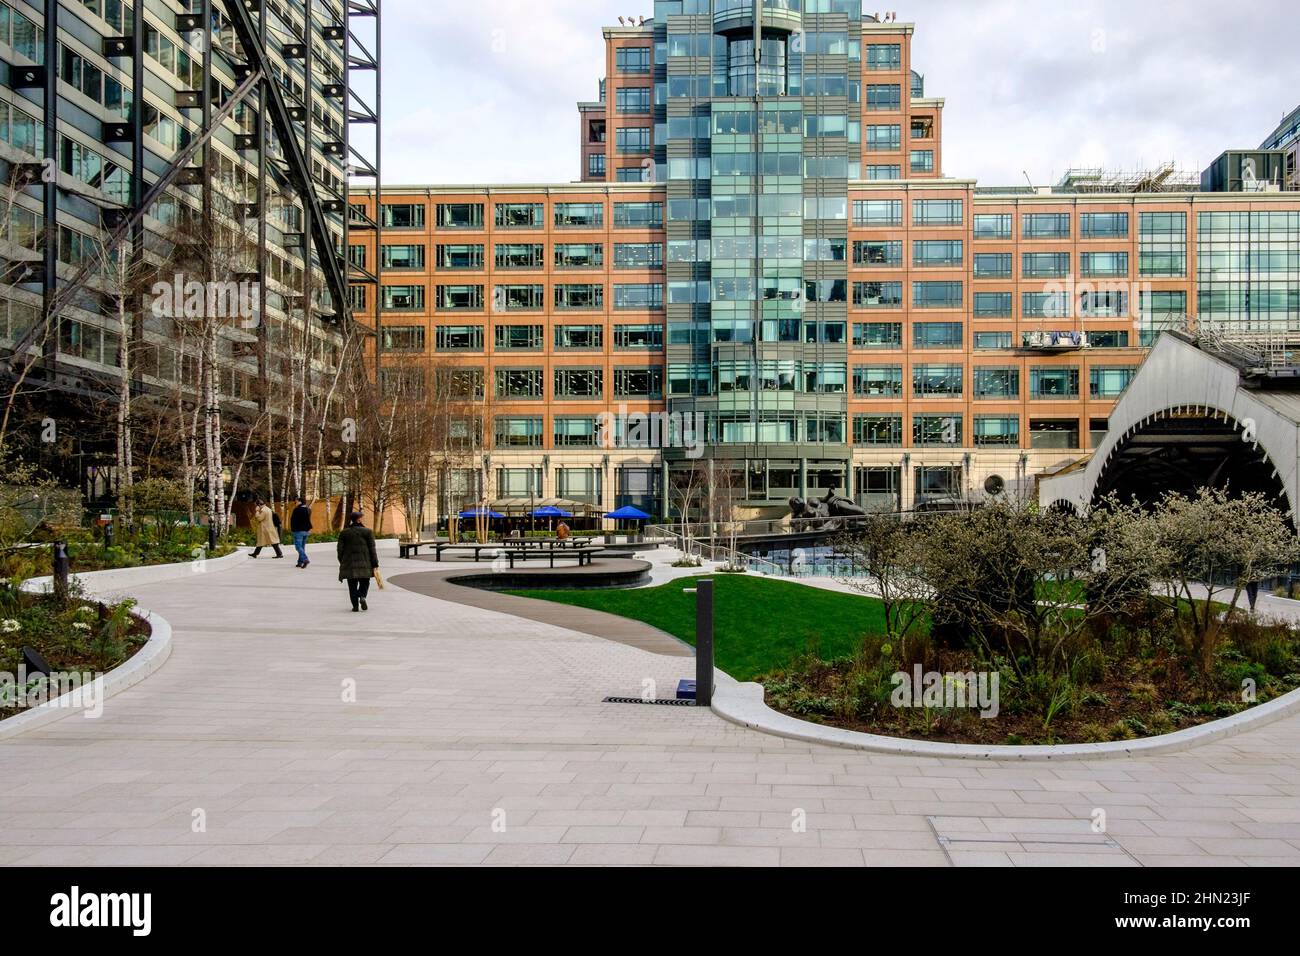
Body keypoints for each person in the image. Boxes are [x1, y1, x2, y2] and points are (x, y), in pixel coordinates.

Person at [337, 511, 379, 612]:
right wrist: (375, 563)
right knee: (365, 582)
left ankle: (355, 606)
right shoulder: (367, 532)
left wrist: (342, 561)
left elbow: (339, 550)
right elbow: (372, 549)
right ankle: (362, 596)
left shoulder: (344, 532)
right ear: (358, 519)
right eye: (362, 517)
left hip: (349, 563)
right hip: (365, 563)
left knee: (352, 585)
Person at [290, 497, 314, 568]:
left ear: (300, 502)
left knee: (298, 547)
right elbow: (308, 520)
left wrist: (293, 529)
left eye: (296, 502)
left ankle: (305, 559)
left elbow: (293, 520)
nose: (295, 503)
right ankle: (300, 562)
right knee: (302, 547)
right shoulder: (308, 509)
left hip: (298, 531)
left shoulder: (297, 510)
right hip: (306, 530)